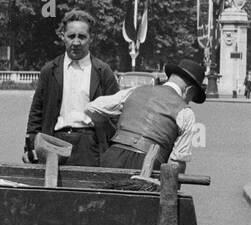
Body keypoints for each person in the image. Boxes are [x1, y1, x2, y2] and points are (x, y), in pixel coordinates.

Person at [24, 10, 120, 166]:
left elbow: (117, 117)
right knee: (55, 190)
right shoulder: (49, 71)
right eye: (71, 36)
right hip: (54, 143)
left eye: (82, 37)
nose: (76, 42)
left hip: (90, 147)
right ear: (63, 36)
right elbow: (36, 115)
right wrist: (30, 149)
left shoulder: (104, 72)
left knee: (88, 189)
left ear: (91, 39)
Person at [90, 58, 205, 170]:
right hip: (147, 165)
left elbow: (93, 107)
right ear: (189, 90)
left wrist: (113, 131)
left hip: (113, 156)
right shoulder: (185, 112)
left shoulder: (135, 91)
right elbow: (177, 162)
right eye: (192, 97)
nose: (189, 101)